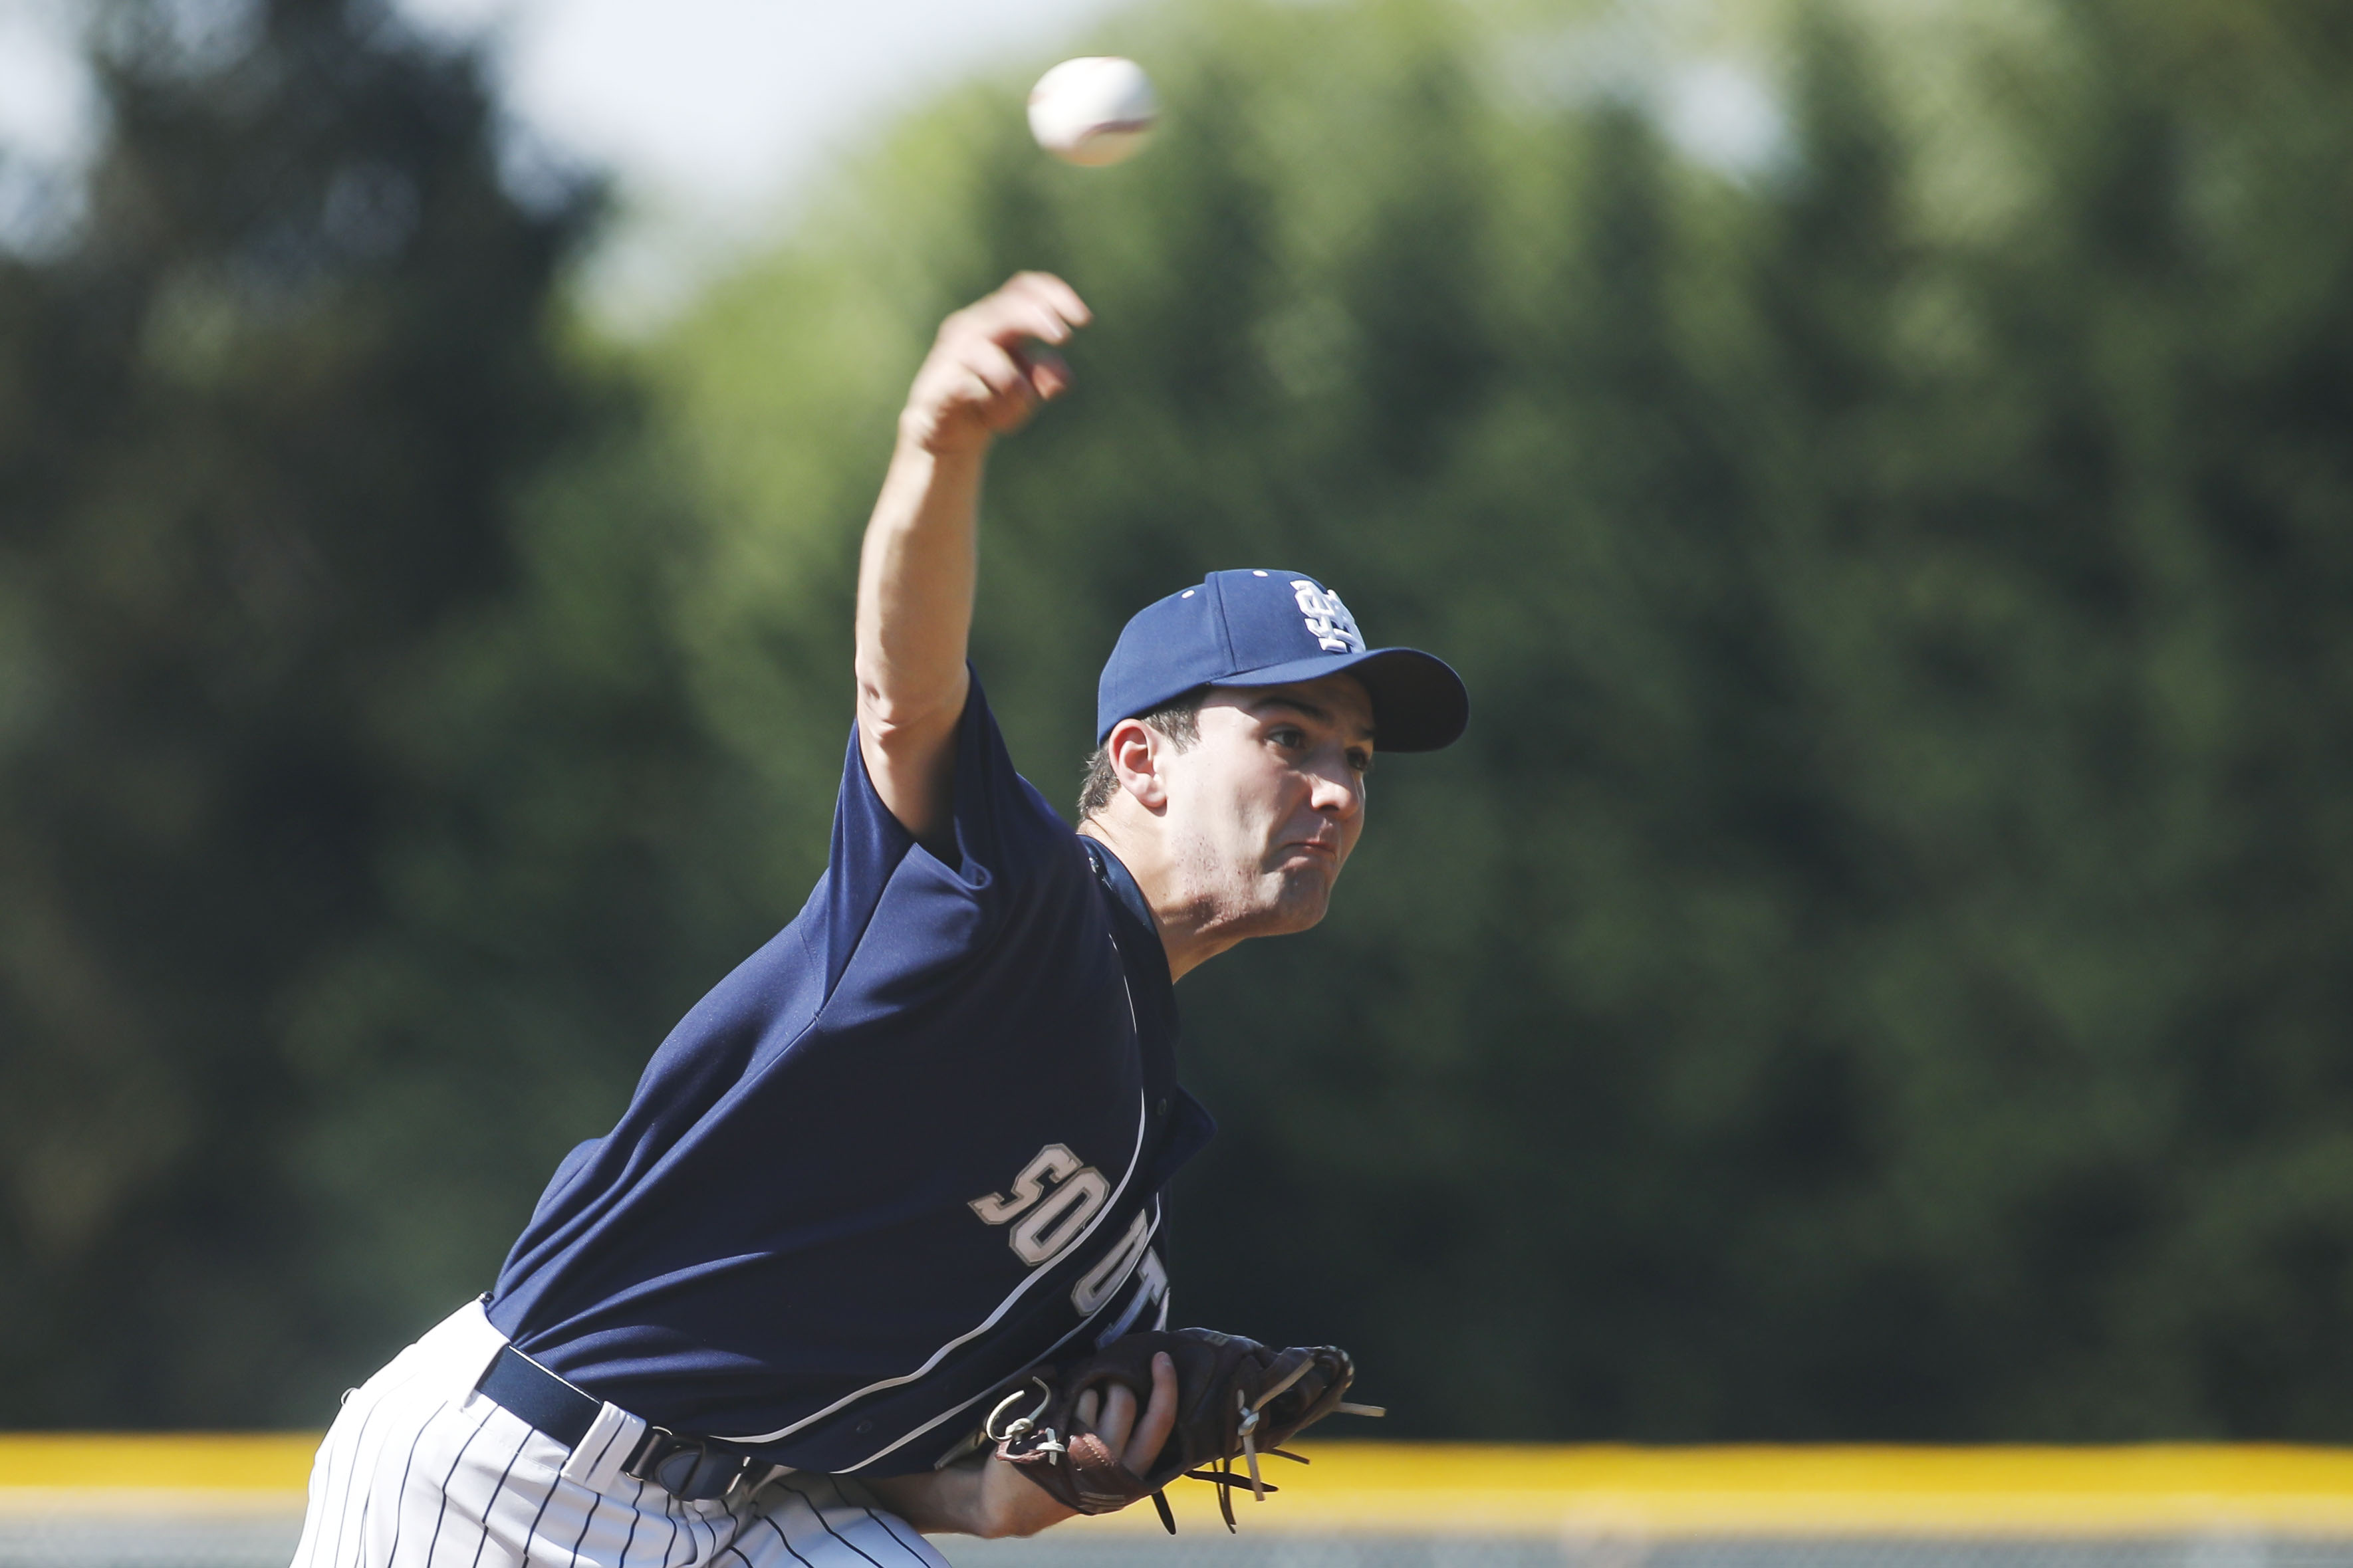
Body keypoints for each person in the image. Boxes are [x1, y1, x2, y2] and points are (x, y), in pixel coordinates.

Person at [287, 273, 1467, 1568]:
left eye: (1358, 759)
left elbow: (955, 1495)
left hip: (748, 1512)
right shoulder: (1003, 900)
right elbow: (906, 699)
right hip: (507, 1483)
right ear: (1142, 760)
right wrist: (937, 448)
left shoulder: (1128, 1219)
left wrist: (1033, 1484)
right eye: (1289, 736)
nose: (1336, 790)